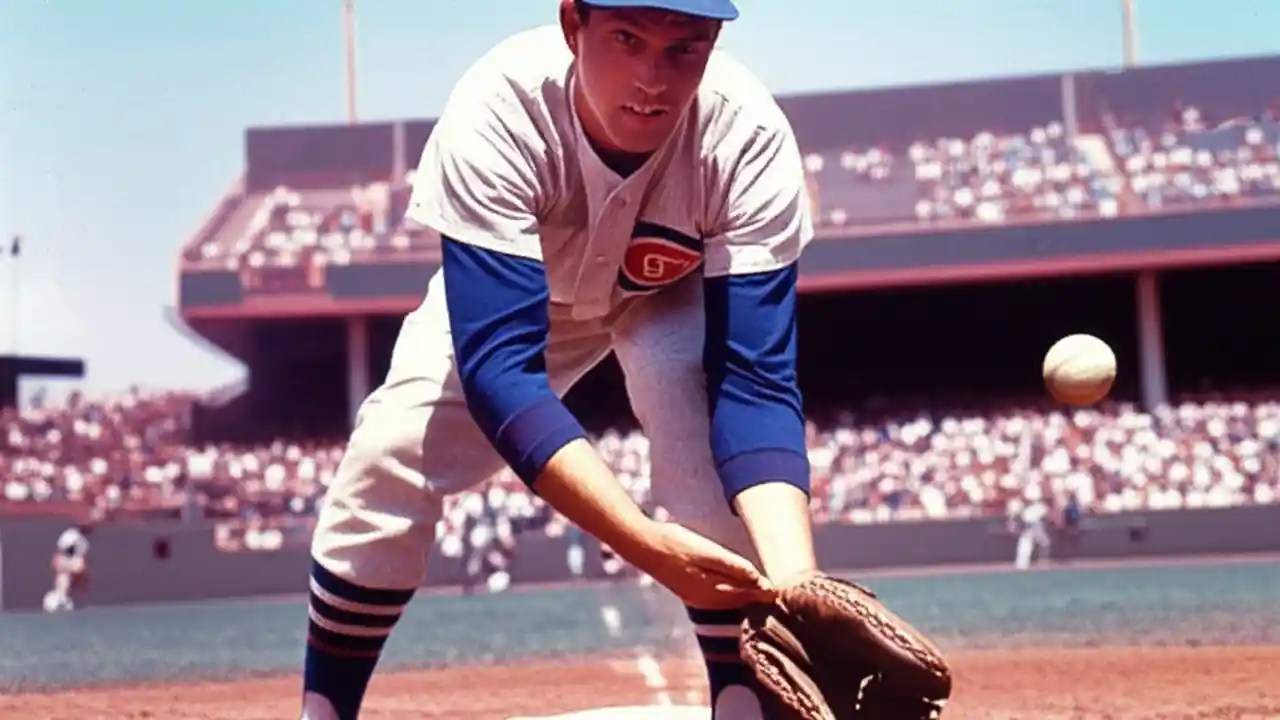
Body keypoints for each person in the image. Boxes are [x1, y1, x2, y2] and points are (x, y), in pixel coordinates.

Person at [300, 1, 822, 717]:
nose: (652, 78)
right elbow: (501, 375)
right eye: (628, 38)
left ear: (716, 41)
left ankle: (740, 700)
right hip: (525, 301)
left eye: (684, 48)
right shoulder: (500, 106)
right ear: (573, 23)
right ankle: (324, 709)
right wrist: (642, 544)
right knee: (389, 450)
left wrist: (801, 587)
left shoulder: (748, 136)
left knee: (697, 430)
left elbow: (755, 382)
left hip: (664, 294)